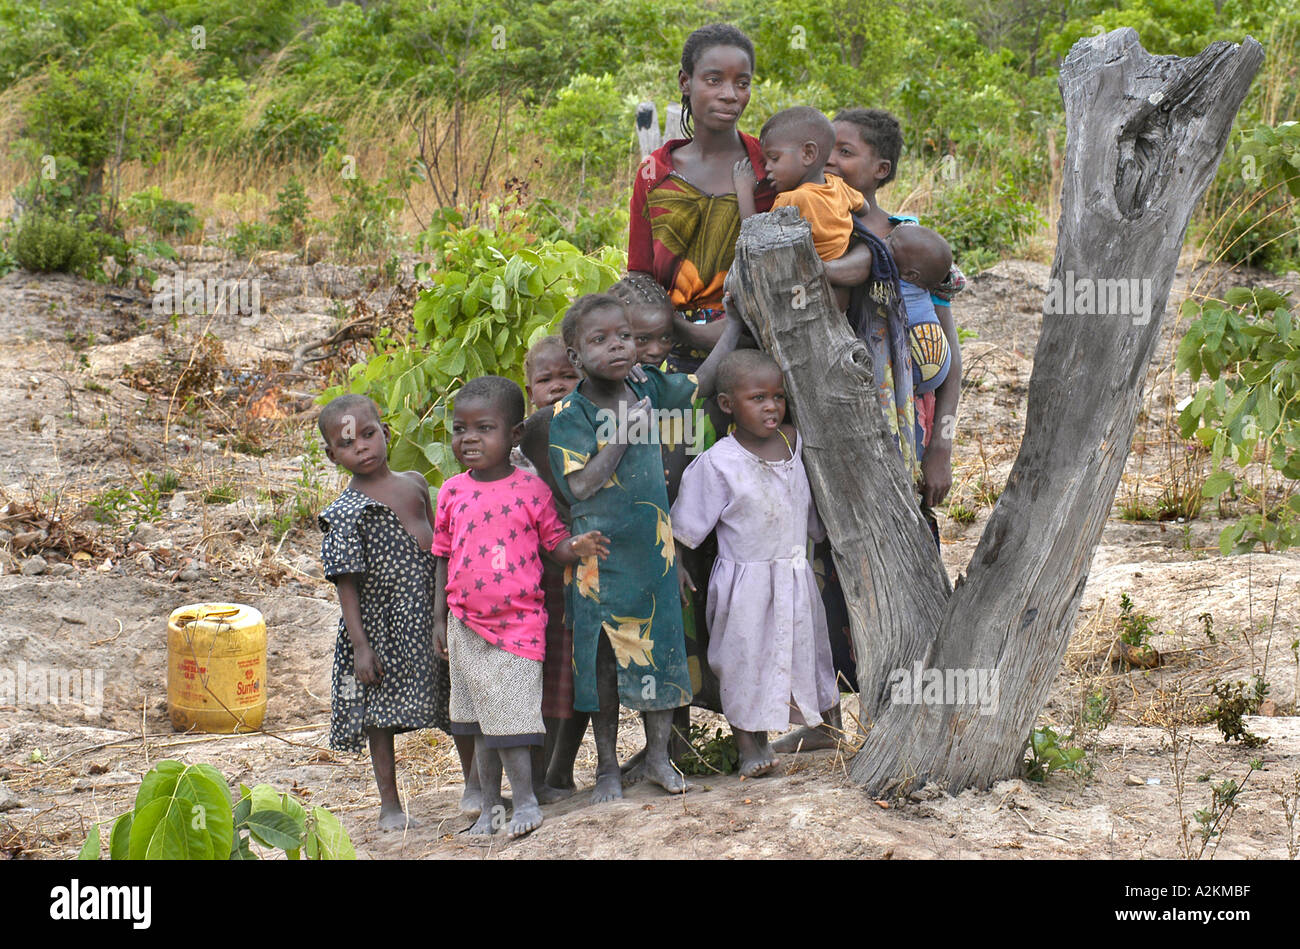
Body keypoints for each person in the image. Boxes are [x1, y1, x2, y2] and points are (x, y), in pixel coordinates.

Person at [548, 292, 740, 803]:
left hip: (653, 557)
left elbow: (702, 382)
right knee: (605, 667)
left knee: (662, 658)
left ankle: (658, 757)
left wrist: (736, 321)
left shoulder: (648, 386)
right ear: (574, 358)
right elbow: (581, 487)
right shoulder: (571, 412)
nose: (618, 347)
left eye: (625, 337)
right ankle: (607, 766)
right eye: (600, 340)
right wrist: (625, 432)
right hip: (599, 564)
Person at [432, 375, 609, 838]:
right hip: (465, 624)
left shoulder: (532, 491)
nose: (468, 439)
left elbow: (554, 545)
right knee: (481, 723)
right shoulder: (451, 491)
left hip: (518, 626)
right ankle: (491, 811)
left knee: (511, 718)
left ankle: (527, 801)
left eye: (483, 428)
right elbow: (443, 556)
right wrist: (439, 619)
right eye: (460, 429)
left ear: (513, 436)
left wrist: (578, 545)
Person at [671, 349, 838, 778]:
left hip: (795, 573)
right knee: (743, 658)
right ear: (728, 405)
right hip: (744, 583)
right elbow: (686, 527)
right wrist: (678, 563)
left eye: (778, 397)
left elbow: (813, 509)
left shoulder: (794, 442)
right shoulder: (719, 463)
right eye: (758, 398)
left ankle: (825, 727)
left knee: (809, 648)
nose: (771, 407)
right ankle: (750, 744)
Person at [318, 393, 475, 832]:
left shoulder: (415, 485)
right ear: (333, 456)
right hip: (380, 629)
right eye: (348, 444)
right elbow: (347, 589)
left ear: (386, 433)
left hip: (432, 616)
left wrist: (445, 613)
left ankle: (474, 785)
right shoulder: (344, 515)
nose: (362, 448)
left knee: (456, 698)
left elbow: (440, 553)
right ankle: (389, 803)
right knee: (377, 716)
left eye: (368, 435)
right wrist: (361, 647)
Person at [628, 23, 776, 374]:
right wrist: (682, 331)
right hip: (668, 351)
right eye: (714, 80)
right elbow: (639, 273)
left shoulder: (767, 167)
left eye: (742, 83)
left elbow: (781, 265)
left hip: (754, 350)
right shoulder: (655, 172)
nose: (730, 95)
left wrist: (734, 327)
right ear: (685, 82)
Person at [515, 335, 590, 802]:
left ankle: (561, 771)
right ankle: (540, 776)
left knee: (577, 679)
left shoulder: (595, 433)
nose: (559, 387)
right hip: (534, 585)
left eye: (569, 377)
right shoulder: (517, 448)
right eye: (547, 380)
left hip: (583, 578)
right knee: (542, 685)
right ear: (530, 391)